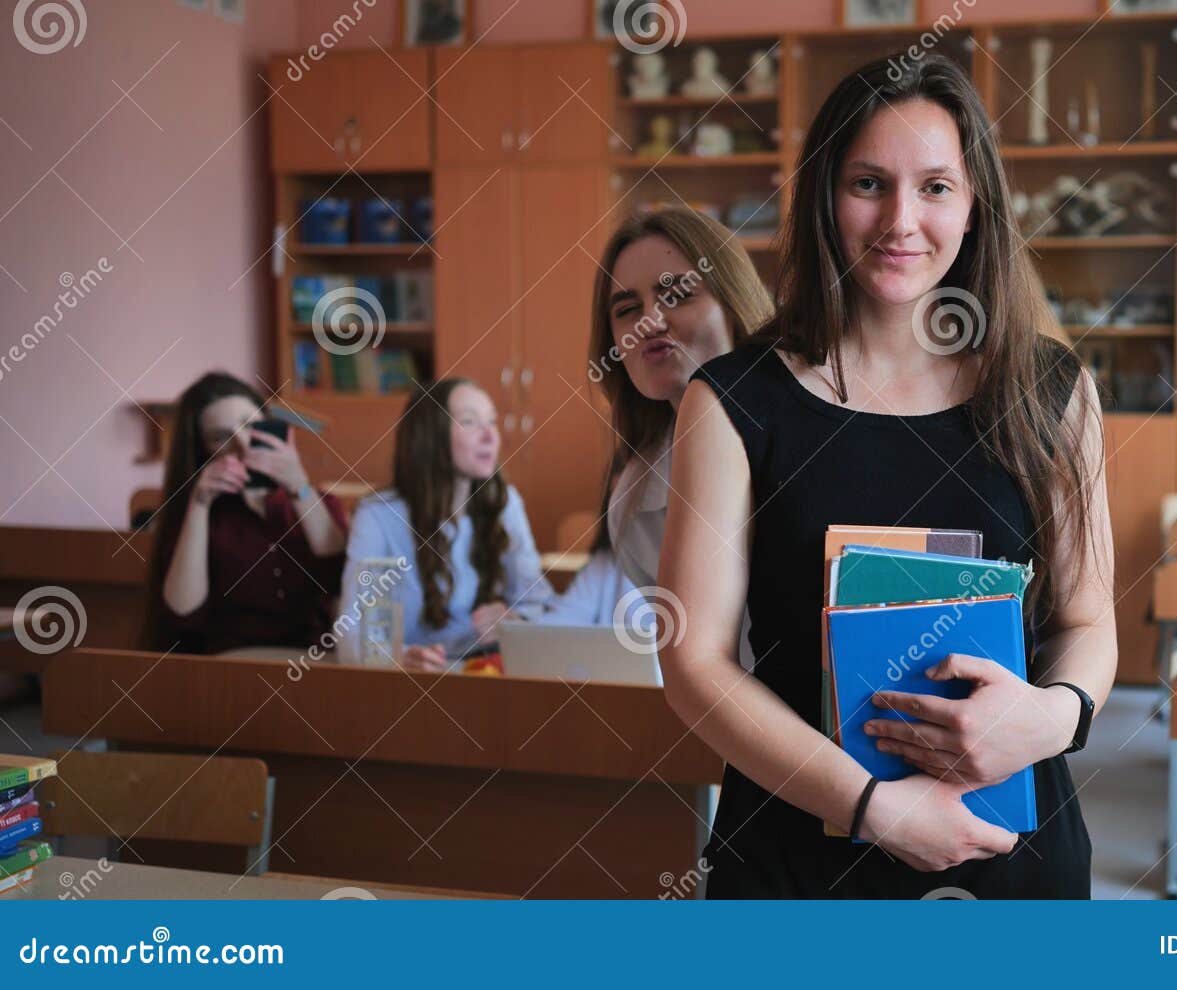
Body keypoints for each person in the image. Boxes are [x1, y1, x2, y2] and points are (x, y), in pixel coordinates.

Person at [656, 54, 1116, 898]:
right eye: (869, 182)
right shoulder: (732, 402)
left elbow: (1089, 624)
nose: (901, 220)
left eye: (936, 187)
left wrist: (1048, 719)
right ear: (826, 198)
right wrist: (872, 807)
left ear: (976, 202)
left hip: (1011, 855)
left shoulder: (1052, 390)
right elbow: (693, 660)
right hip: (795, 864)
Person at [544, 207, 772, 633]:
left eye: (679, 295)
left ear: (734, 303)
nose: (649, 322)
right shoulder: (635, 501)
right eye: (628, 309)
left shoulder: (819, 426)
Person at [337, 378, 551, 670]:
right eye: (470, 422)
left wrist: (516, 620)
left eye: (492, 421)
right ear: (430, 437)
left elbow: (540, 603)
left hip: (485, 675)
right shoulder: (378, 515)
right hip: (412, 682)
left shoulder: (505, 502)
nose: (491, 436)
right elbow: (351, 634)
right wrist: (396, 656)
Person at [144, 372, 347, 654]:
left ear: (269, 426)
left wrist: (299, 486)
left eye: (250, 426)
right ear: (203, 451)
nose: (242, 444)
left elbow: (341, 573)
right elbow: (182, 612)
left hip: (313, 661)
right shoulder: (200, 516)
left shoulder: (319, 502)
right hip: (233, 668)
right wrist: (199, 505)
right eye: (220, 437)